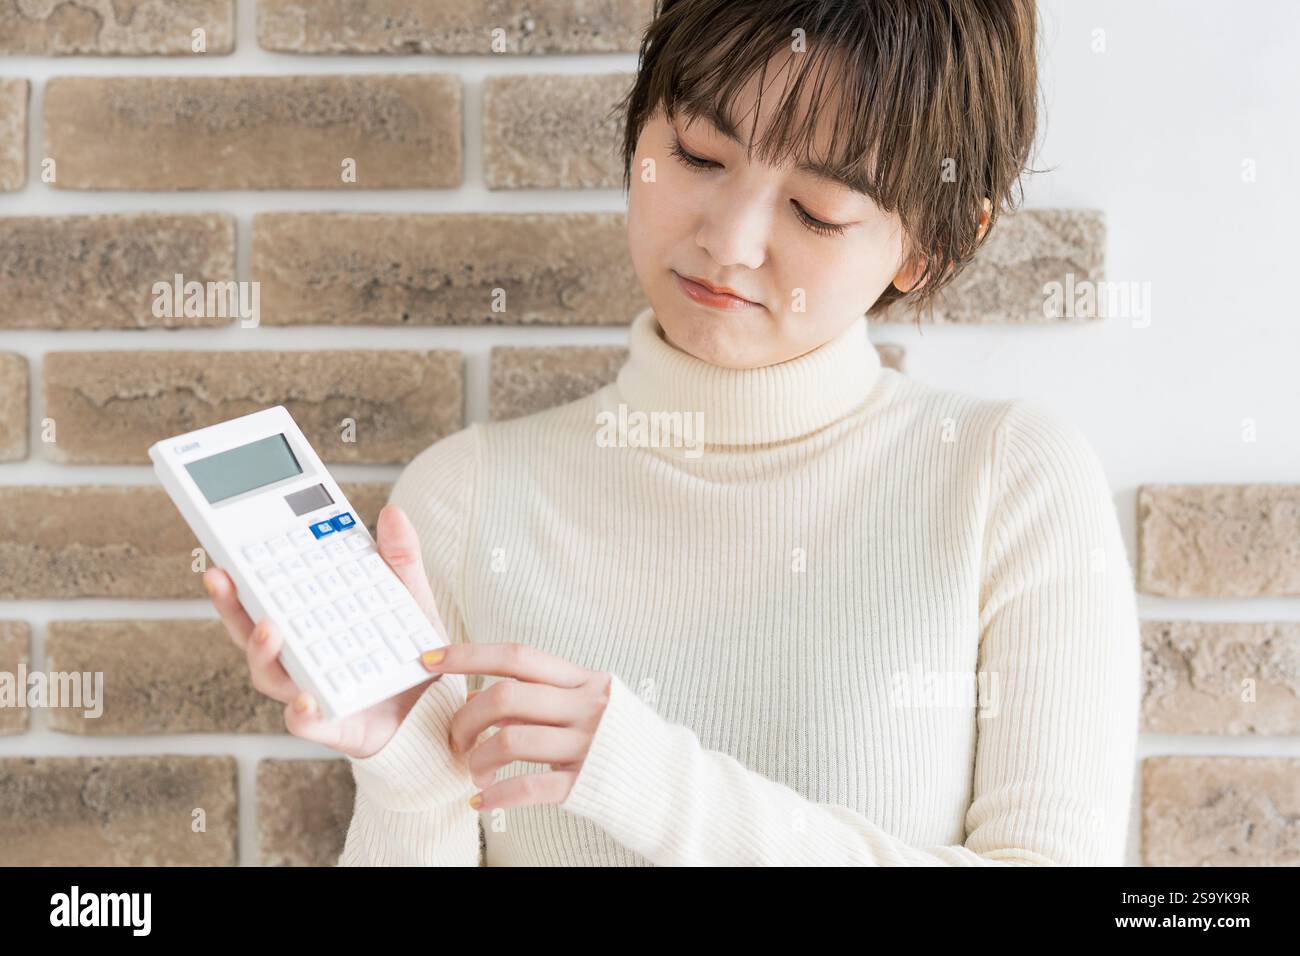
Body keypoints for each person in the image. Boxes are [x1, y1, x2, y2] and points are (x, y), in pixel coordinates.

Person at [204, 0, 1141, 866]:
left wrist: (648, 777)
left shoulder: (1007, 481)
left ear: (936, 243)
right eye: (698, 153)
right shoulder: (462, 499)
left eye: (819, 208)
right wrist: (406, 769)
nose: (729, 239)